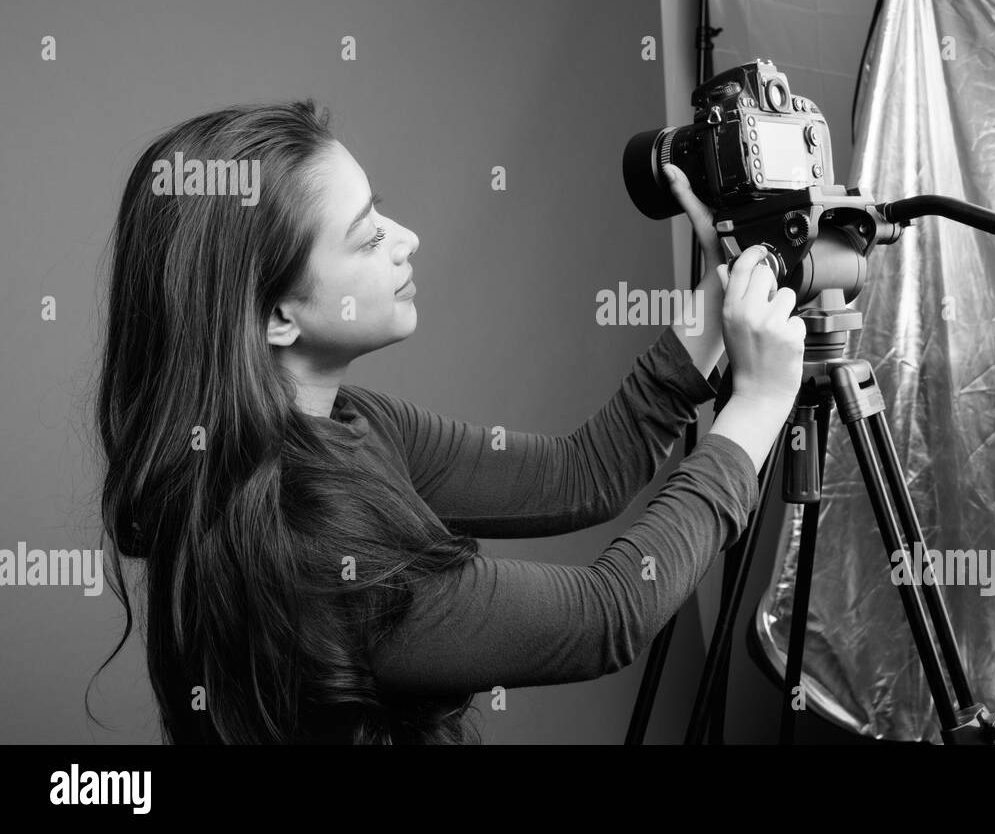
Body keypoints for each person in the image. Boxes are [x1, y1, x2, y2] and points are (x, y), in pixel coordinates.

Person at [91, 100, 805, 743]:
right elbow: (604, 616)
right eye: (367, 237)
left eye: (383, 211)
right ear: (279, 316)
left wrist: (721, 294)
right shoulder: (312, 552)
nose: (408, 239)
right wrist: (759, 407)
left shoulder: (352, 424)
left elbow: (581, 473)